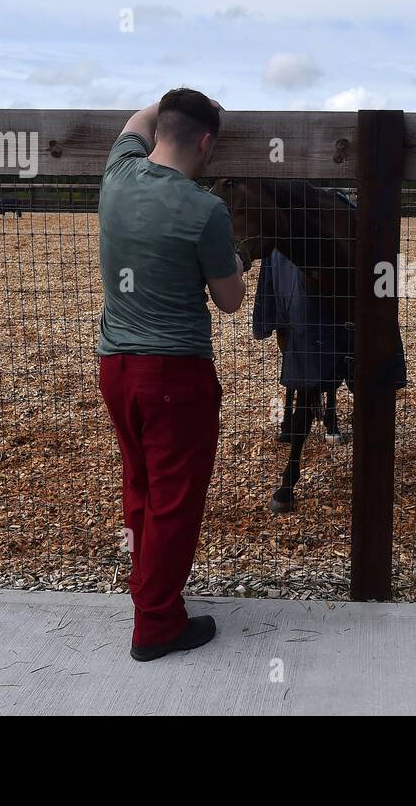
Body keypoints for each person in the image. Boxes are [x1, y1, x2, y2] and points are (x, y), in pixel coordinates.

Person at [96, 88, 248, 662]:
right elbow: (231, 299)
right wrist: (234, 264)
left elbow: (138, 118)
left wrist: (168, 110)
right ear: (207, 143)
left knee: (141, 486)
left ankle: (147, 593)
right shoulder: (205, 209)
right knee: (175, 501)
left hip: (117, 367)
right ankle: (157, 624)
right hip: (175, 374)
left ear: (160, 132)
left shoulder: (117, 174)